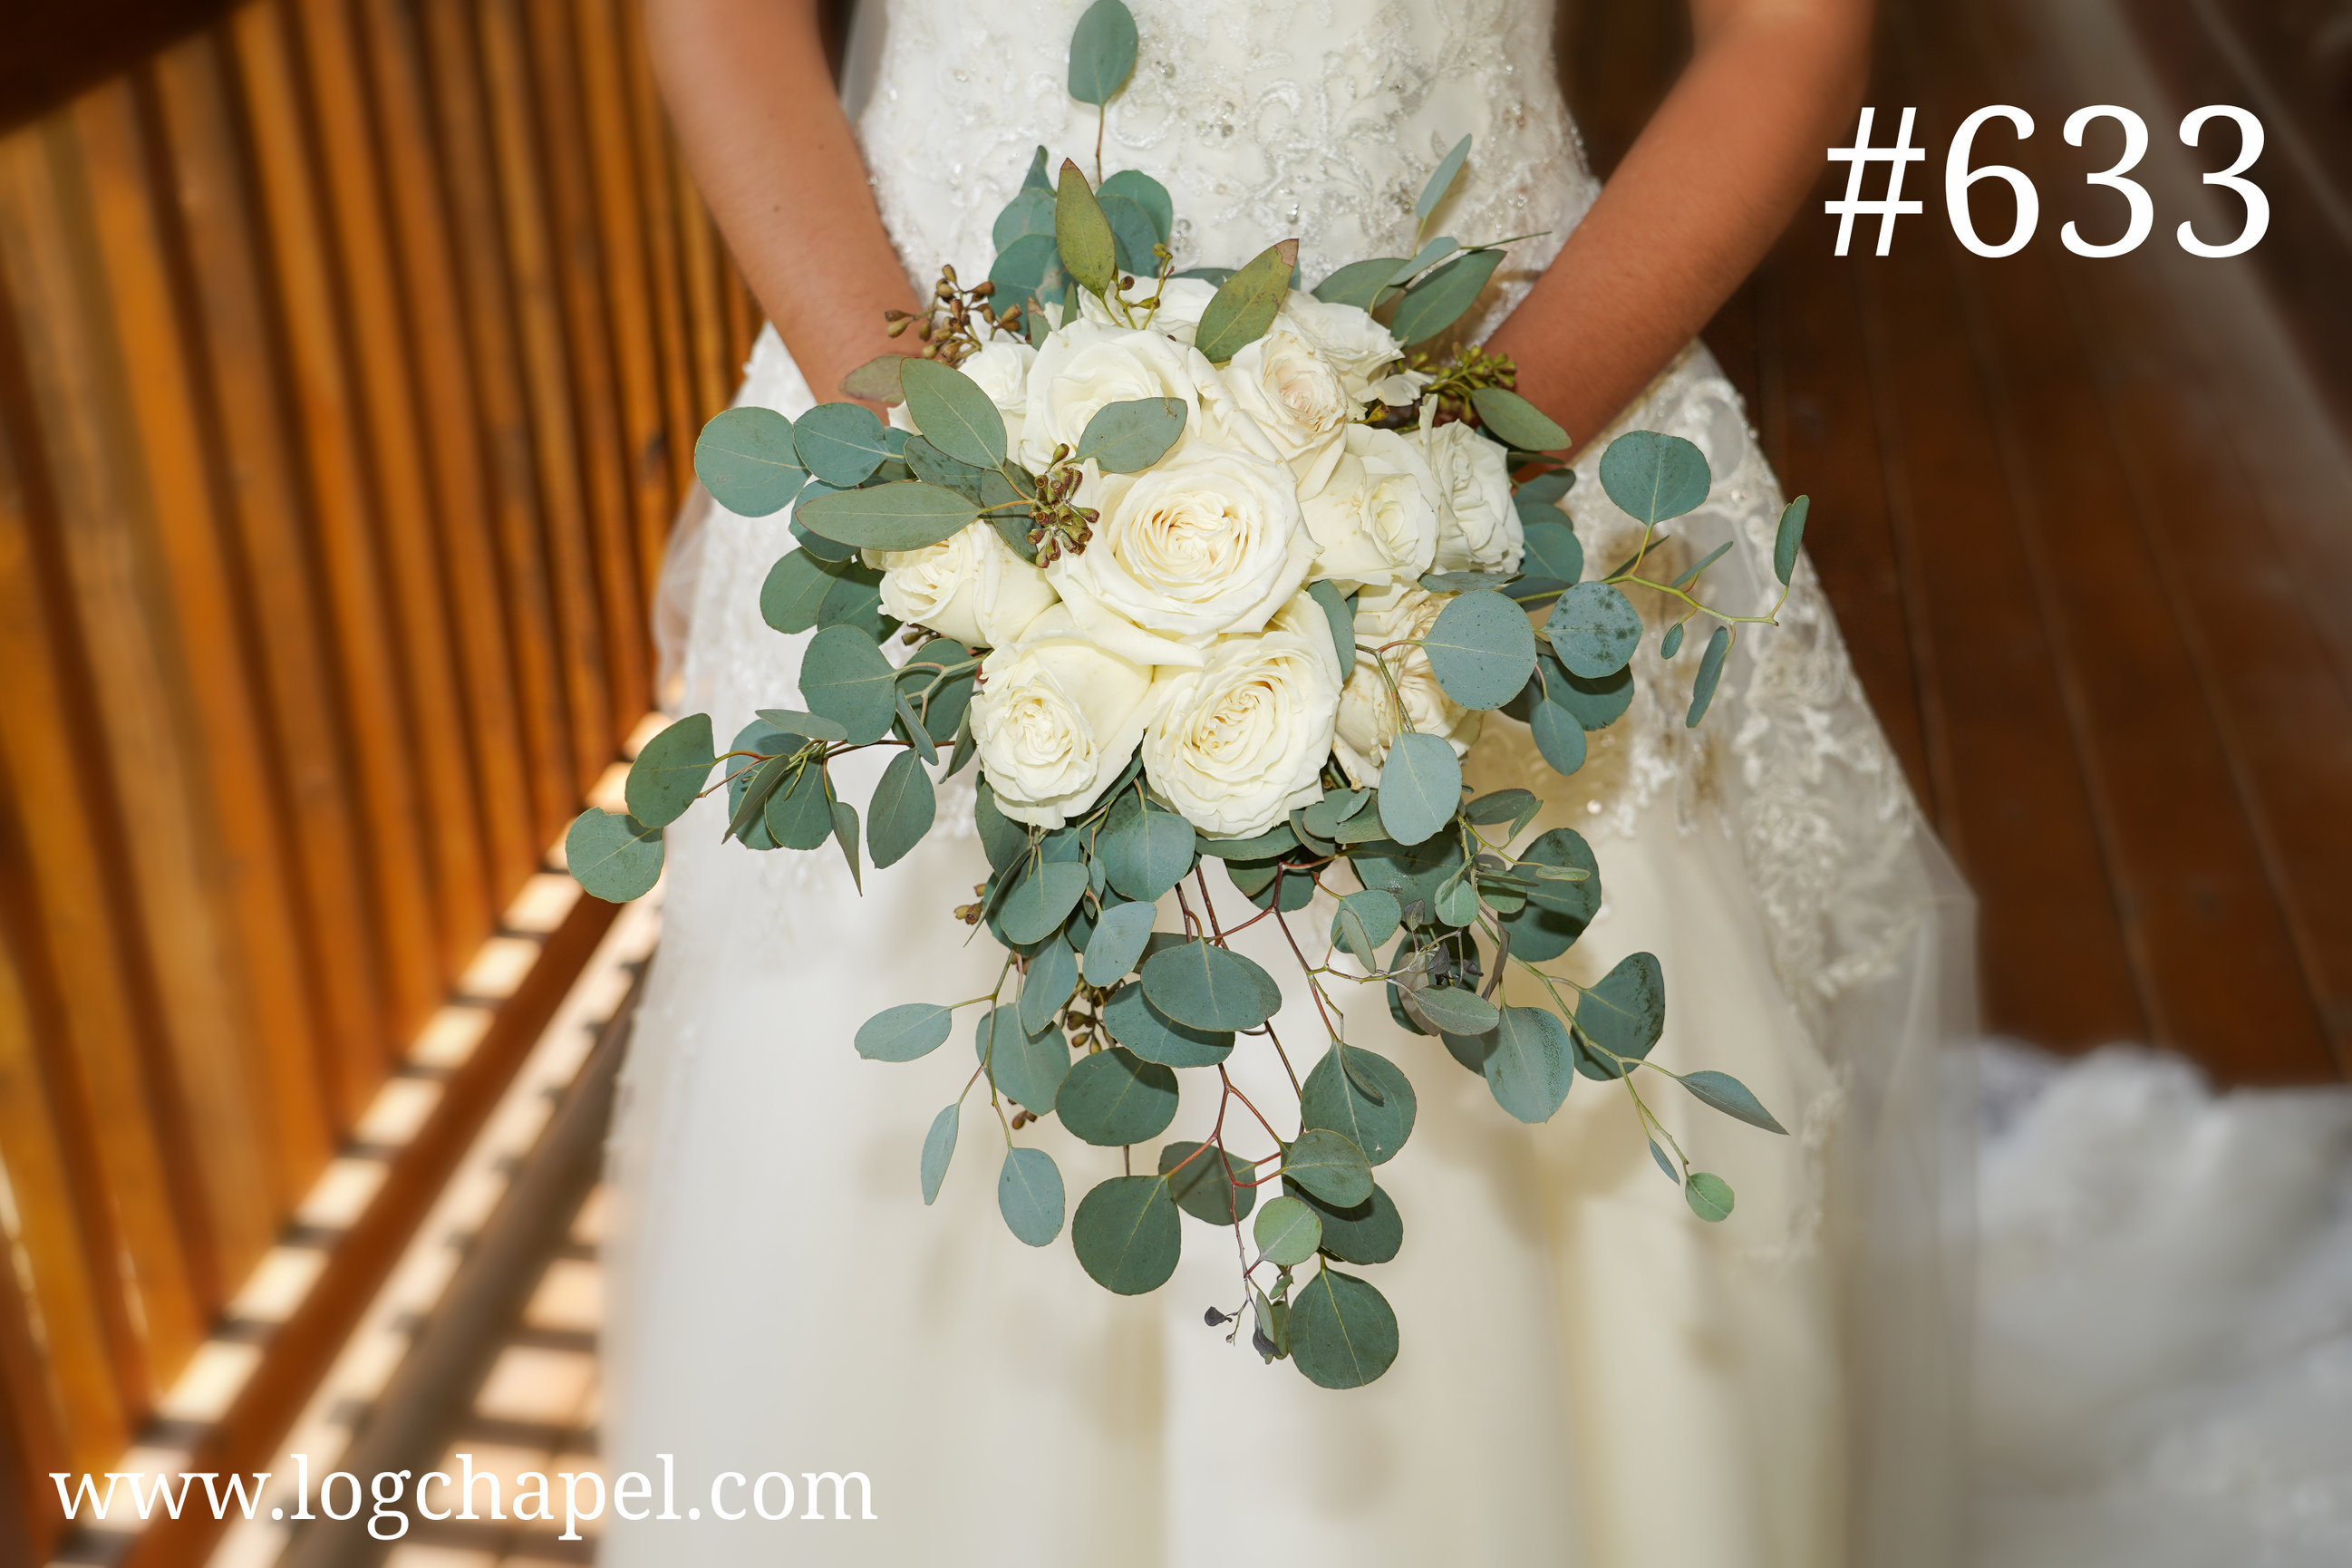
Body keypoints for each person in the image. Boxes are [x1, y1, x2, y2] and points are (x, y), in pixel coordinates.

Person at [601, 3, 1973, 1564]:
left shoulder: (1484, 465)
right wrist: (943, 460)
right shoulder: (928, 454)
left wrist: (1454, 474)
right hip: (922, 413)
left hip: (1514, 426)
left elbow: (1787, 37)